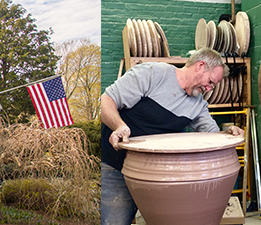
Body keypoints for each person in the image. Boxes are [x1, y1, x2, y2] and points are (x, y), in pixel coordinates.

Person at [98, 47, 245, 224]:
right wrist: (119, 126)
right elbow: (106, 100)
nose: (209, 88)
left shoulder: (197, 104)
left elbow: (212, 135)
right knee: (116, 221)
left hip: (156, 173)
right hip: (117, 165)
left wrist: (228, 134)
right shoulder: (152, 74)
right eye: (210, 82)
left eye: (212, 86)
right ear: (200, 66)